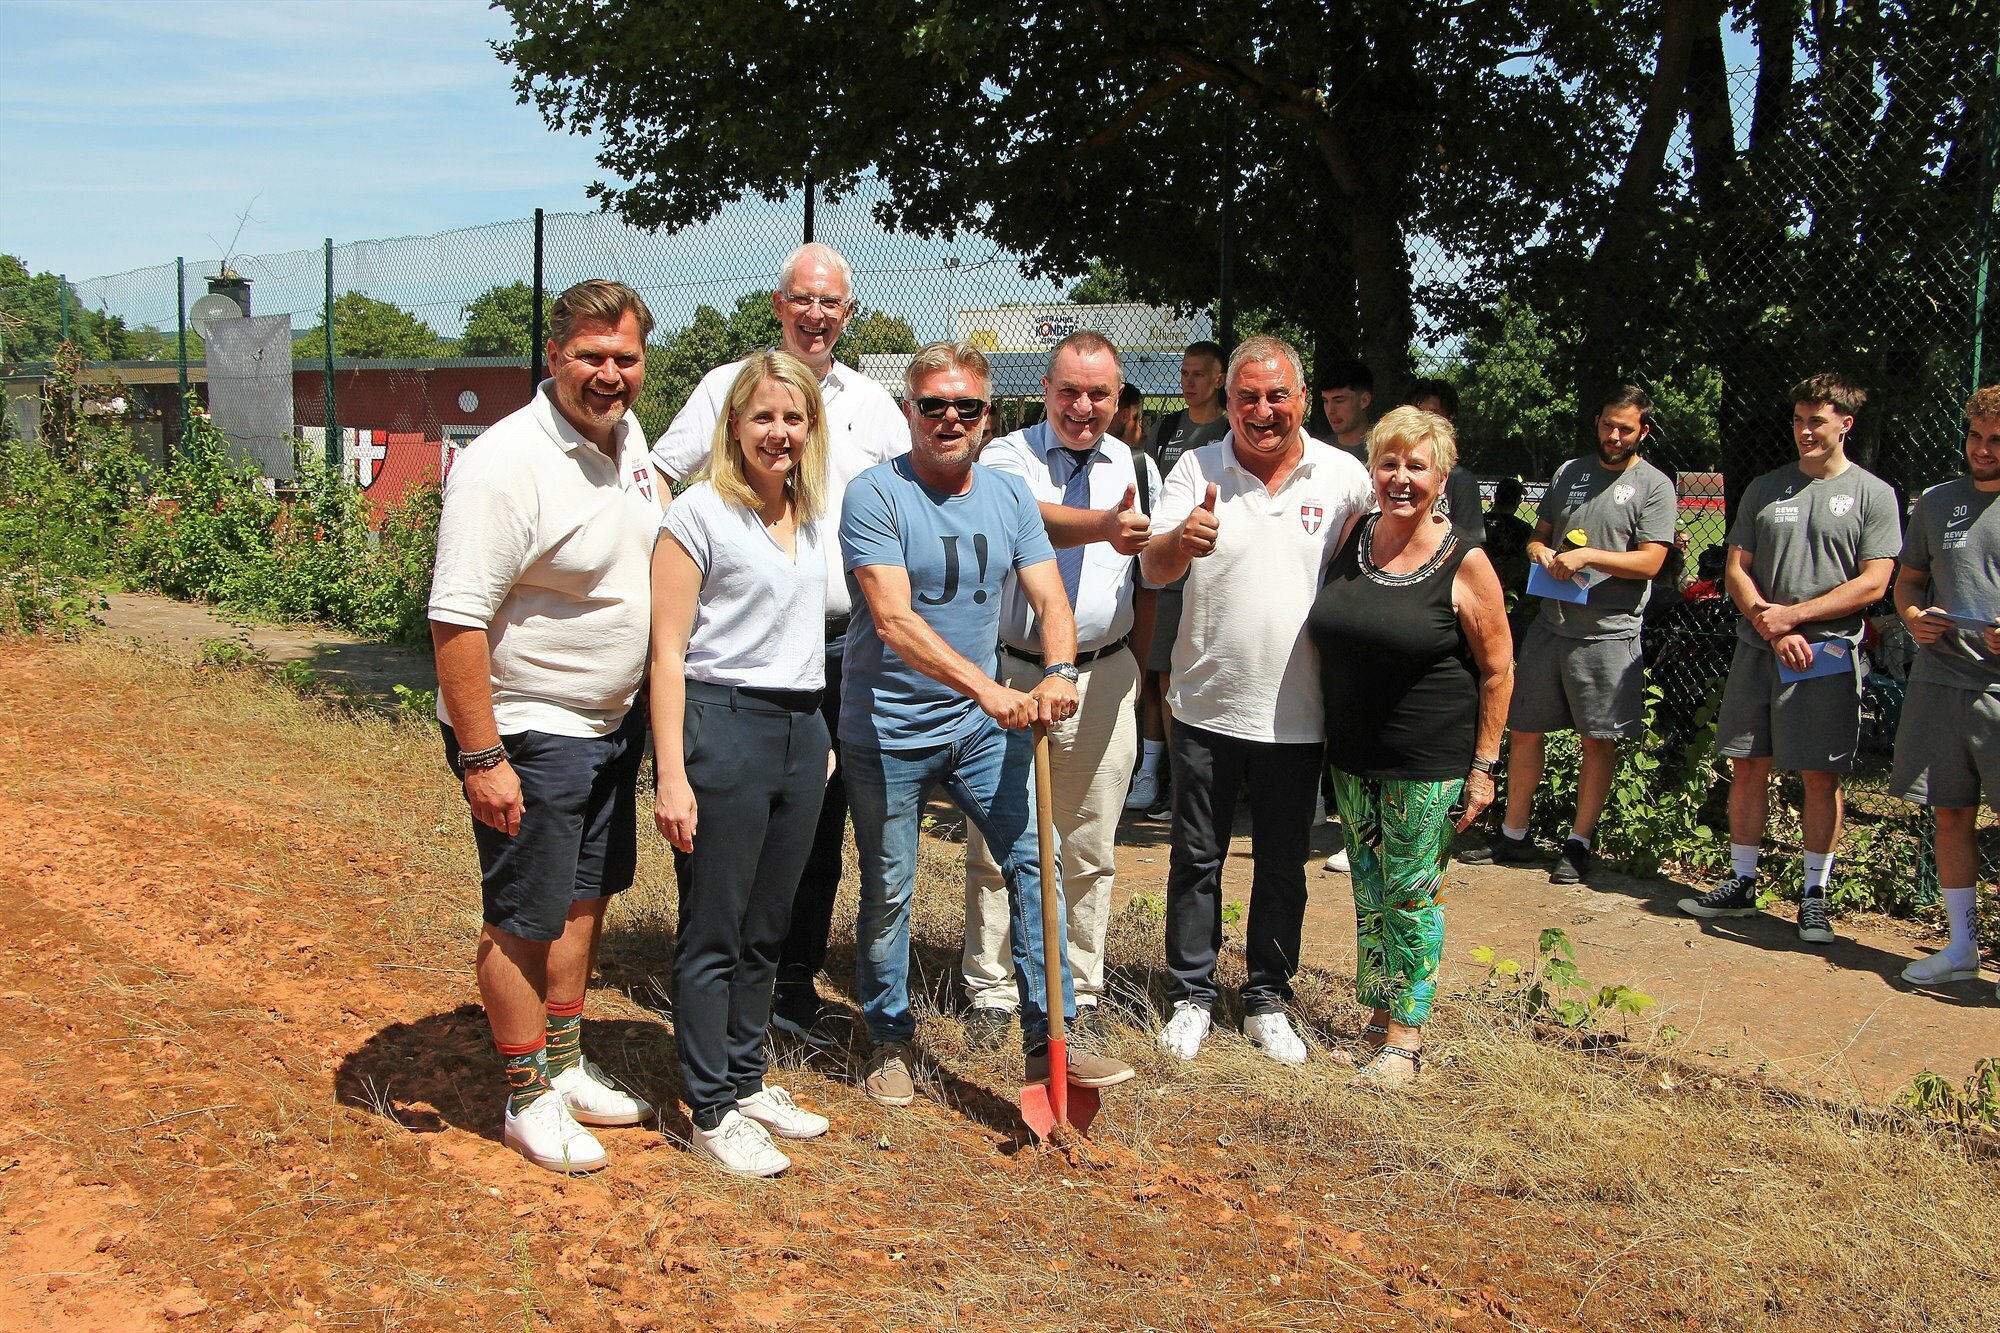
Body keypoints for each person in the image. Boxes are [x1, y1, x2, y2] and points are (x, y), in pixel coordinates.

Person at [840, 341, 1135, 1105]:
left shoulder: (1004, 496)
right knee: (890, 887)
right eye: (932, 405)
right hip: (887, 728)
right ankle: (890, 1040)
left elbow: (1051, 599)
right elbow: (893, 619)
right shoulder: (875, 494)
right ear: (909, 411)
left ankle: (1052, 1037)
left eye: (965, 407)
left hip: (975, 727)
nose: (948, 419)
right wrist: (987, 687)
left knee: (1036, 859)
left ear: (986, 416)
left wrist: (1062, 670)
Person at [428, 279, 661, 1175]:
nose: (609, 374)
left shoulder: (631, 441)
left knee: (583, 893)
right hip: (529, 724)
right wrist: (483, 755)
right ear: (554, 357)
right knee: (525, 912)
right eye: (591, 356)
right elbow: (455, 618)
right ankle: (525, 1093)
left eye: (625, 357)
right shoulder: (505, 461)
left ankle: (563, 1061)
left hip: (608, 724)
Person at [652, 242, 909, 1048]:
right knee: (722, 828)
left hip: (839, 649)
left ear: (849, 312)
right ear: (778, 303)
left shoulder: (875, 405)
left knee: (814, 826)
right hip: (732, 653)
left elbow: (908, 499)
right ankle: (711, 982)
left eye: (832, 302)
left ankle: (788, 984)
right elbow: (661, 474)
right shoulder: (726, 387)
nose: (817, 314)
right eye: (803, 299)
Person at [1141, 335, 1372, 1064]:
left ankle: (1267, 997)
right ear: (1229, 401)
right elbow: (1151, 565)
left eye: (1277, 396)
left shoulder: (1345, 478)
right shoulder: (1196, 466)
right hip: (1207, 702)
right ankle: (1192, 994)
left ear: (1302, 399)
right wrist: (1184, 540)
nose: (1262, 411)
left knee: (1281, 862)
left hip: (1300, 711)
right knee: (1196, 856)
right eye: (1247, 397)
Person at [649, 351, 835, 1176]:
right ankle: (709, 1104)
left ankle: (748, 1075)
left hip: (801, 731)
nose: (779, 432)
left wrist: (819, 736)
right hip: (723, 725)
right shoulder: (699, 513)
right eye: (763, 416)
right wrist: (673, 773)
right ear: (733, 424)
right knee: (715, 926)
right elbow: (665, 655)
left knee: (769, 926)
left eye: (793, 417)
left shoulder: (816, 510)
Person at [962, 333, 1162, 1046]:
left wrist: (1127, 666)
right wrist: (1105, 527)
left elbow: (1149, 573)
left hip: (1105, 676)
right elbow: (1028, 515)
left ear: (1118, 397)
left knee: (1088, 840)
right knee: (999, 837)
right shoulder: (1007, 455)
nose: (1083, 407)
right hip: (1014, 669)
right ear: (1046, 390)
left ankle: (1081, 982)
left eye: (1099, 394)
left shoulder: (1136, 464)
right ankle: (992, 988)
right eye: (1070, 392)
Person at [1307, 406, 1513, 1089]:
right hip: (1353, 757)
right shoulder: (1353, 537)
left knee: (1413, 893)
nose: (1401, 479)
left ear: (1443, 476)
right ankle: (1375, 1017)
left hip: (1428, 761)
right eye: (1389, 463)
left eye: (1416, 467)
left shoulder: (1466, 560)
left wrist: (1483, 768)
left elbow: (1499, 668)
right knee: (1369, 891)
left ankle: (1406, 1038)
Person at [1678, 374, 1900, 943]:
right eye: (1799, 420)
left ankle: (1815, 895)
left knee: (1818, 773)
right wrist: (1768, 624)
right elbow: (1735, 569)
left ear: (1845, 424)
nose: (1804, 431)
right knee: (1747, 764)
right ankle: (1742, 882)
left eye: (1817, 421)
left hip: (1825, 653)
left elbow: (1876, 583)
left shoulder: (1874, 495)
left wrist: (1796, 619)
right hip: (1761, 645)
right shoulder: (1765, 488)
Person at [1460, 386, 1675, 883]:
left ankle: (1579, 844)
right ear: (1597, 422)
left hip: (1607, 634)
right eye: (1607, 425)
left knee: (1597, 739)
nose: (1614, 435)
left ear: (1643, 431)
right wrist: (1539, 551)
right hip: (1551, 626)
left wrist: (1590, 556)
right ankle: (1514, 834)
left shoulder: (1654, 486)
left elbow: (1653, 562)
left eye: (1625, 428)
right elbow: (1541, 532)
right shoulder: (1569, 472)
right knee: (1525, 728)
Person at [1884, 384, 2000, 991]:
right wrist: (1911, 618)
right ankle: (1961, 948)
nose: (1982, 450)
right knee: (1950, 813)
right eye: (1975, 436)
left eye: (1996, 440)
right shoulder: (1936, 502)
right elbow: (1908, 583)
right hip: (1941, 679)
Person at [1130, 341, 1229, 817]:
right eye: (1184, 373)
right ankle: (1156, 773)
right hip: (1167, 567)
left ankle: (1209, 781)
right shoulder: (1166, 428)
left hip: (1216, 570)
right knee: (1159, 672)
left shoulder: (1234, 428)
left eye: (1197, 374)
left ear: (1219, 380)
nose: (1187, 381)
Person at [1399, 377, 1483, 547]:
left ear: (1448, 420)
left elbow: (1469, 544)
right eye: (1417, 413)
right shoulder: (1390, 473)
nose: (1422, 421)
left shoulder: (1461, 481)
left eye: (1432, 413)